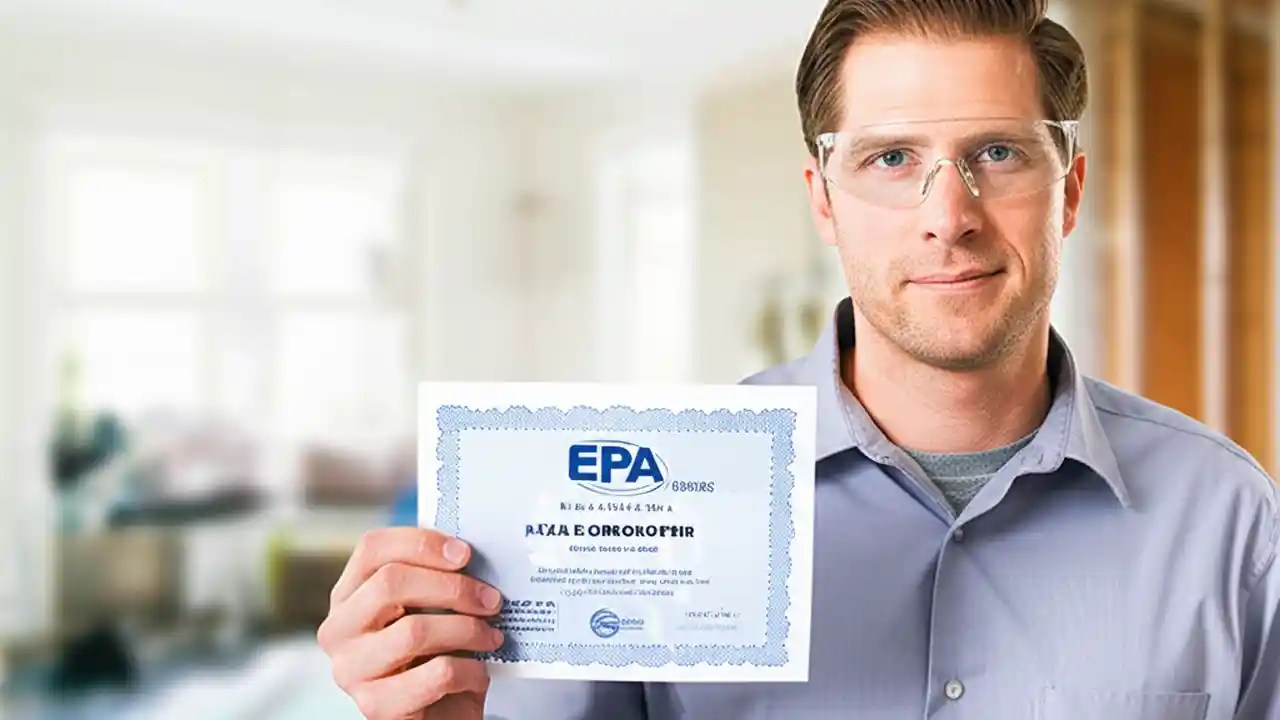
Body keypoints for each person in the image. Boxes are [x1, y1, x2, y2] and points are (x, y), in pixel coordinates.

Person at [316, 0, 1280, 717]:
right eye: (890, 158)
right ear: (823, 199)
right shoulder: (647, 509)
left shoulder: (1227, 519)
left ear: (1066, 191)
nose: (949, 216)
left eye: (998, 152)